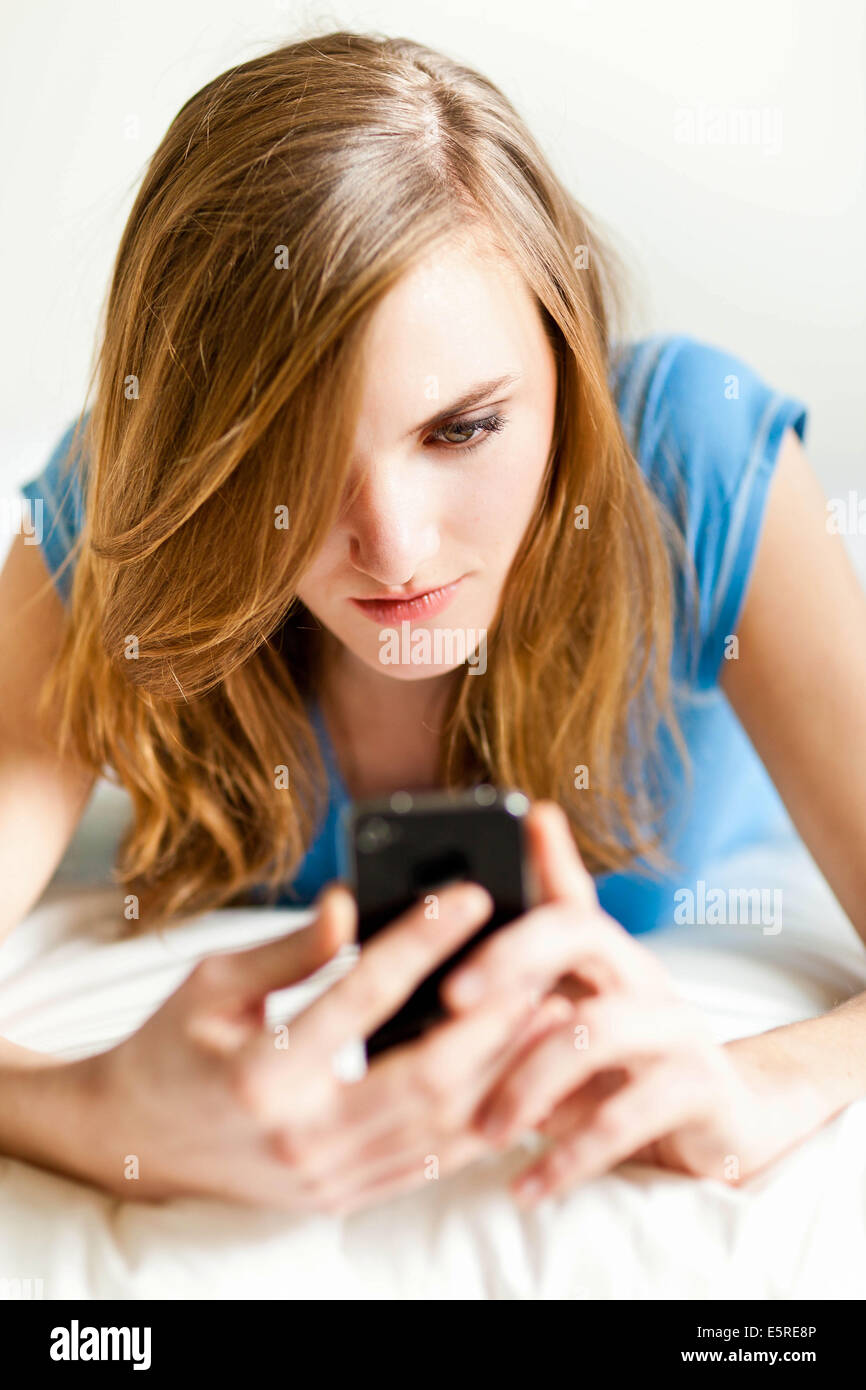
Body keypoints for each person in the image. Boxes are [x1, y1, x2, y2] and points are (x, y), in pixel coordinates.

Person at [2, 30, 865, 1216]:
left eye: (460, 428)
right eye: (285, 461)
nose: (395, 549)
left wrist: (762, 1083)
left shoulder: (695, 459)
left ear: (565, 368)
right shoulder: (126, 512)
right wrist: (92, 1114)